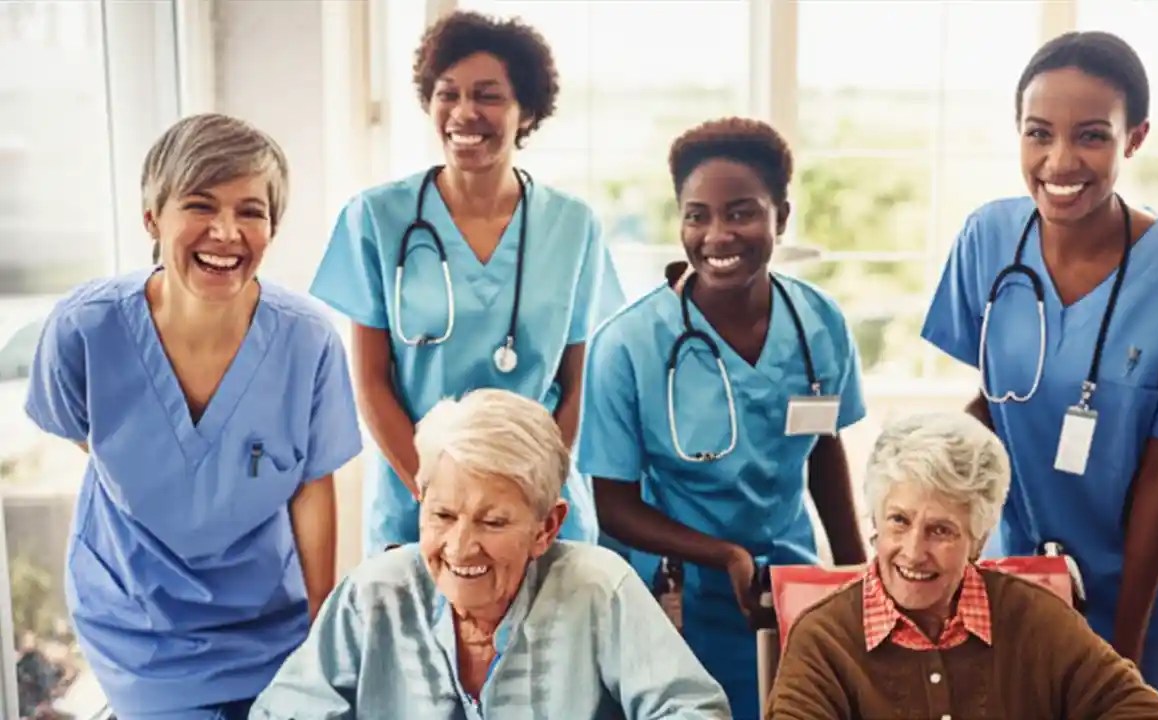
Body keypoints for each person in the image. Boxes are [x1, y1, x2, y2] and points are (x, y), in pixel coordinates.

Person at [920, 31, 1158, 707]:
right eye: (1039, 133)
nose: (1060, 160)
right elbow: (995, 400)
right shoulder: (988, 238)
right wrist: (925, 486)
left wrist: (1123, 645)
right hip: (1031, 557)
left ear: (1135, 138)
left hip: (1154, 574)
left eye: (1092, 135)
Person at [23, 113, 362, 719]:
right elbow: (88, 437)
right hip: (139, 625)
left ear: (272, 226)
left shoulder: (307, 341)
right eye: (201, 205)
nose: (226, 232)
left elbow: (313, 486)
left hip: (269, 619)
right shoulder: (86, 328)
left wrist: (321, 634)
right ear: (153, 217)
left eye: (251, 211)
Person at [579, 117, 868, 718]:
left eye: (740, 212)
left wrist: (858, 580)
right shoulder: (628, 345)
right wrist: (727, 556)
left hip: (791, 587)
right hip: (673, 592)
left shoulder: (820, 323)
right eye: (696, 215)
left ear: (780, 218)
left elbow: (823, 452)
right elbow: (613, 504)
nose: (717, 234)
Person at [309, 10, 624, 556]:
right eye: (446, 94)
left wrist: (531, 496)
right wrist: (436, 495)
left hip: (537, 510)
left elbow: (574, 386)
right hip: (418, 504)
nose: (464, 113)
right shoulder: (377, 218)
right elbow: (373, 383)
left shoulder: (572, 226)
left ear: (526, 112)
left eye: (489, 96)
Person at [250, 389, 731, 718]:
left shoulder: (598, 589)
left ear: (547, 526)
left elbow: (692, 709)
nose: (460, 547)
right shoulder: (373, 596)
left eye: (493, 521)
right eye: (442, 515)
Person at [765, 413, 1158, 719]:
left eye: (941, 530)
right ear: (875, 521)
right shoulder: (824, 640)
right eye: (899, 521)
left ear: (979, 539)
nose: (913, 552)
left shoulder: (1037, 620)